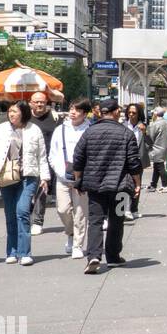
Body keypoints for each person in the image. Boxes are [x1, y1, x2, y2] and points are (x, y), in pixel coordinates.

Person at [73, 98, 141, 274]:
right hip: (120, 186)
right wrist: (137, 183)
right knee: (116, 220)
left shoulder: (89, 132)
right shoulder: (127, 134)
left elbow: (78, 158)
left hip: (95, 186)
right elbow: (133, 162)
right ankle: (113, 256)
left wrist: (78, 179)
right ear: (116, 112)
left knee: (95, 220)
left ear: (101, 113)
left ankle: (94, 255)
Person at [0, 100, 51, 266]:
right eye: (10, 111)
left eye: (15, 111)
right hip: (6, 176)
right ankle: (11, 251)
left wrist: (45, 177)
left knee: (22, 212)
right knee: (10, 214)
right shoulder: (1, 129)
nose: (11, 114)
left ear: (23, 112)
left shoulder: (34, 129)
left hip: (29, 176)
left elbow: (42, 156)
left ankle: (25, 253)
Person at [49, 97, 92, 258]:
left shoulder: (90, 129)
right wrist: (59, 170)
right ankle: (70, 233)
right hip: (63, 176)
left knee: (81, 212)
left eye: (78, 110)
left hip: (83, 178)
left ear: (85, 113)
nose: (73, 113)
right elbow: (52, 154)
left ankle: (77, 245)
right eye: (72, 109)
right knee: (63, 209)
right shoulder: (60, 129)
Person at [27, 92, 59, 236]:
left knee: (41, 191)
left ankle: (37, 222)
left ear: (47, 103)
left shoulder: (54, 118)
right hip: (28, 160)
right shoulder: (26, 118)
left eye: (42, 102)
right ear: (30, 103)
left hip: (46, 160)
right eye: (36, 102)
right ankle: (26, 219)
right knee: (27, 192)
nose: (39, 104)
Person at [123, 103, 149, 220]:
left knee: (137, 185)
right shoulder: (123, 126)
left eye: (134, 113)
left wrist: (145, 132)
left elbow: (150, 143)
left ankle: (134, 209)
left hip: (138, 160)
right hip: (125, 160)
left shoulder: (143, 126)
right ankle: (126, 209)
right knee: (127, 184)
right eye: (129, 113)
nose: (131, 115)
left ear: (139, 114)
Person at [147, 107, 167, 192]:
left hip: (156, 148)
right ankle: (153, 184)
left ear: (155, 114)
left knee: (160, 167)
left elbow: (150, 138)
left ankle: (165, 185)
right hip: (165, 147)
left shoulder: (154, 124)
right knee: (157, 166)